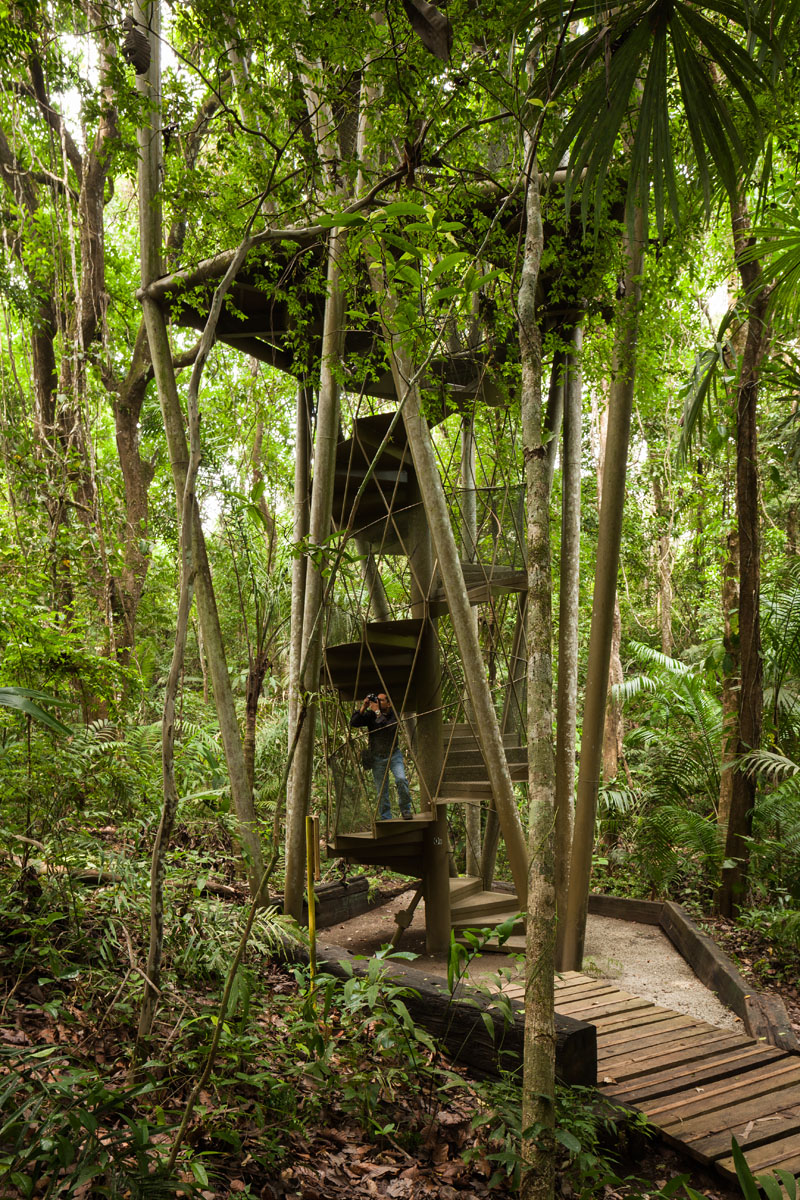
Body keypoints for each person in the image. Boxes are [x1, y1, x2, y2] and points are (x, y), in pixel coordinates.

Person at [350, 691, 413, 821]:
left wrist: (378, 712)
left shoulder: (394, 715)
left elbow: (389, 728)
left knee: (401, 779)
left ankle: (405, 809)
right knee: (381, 790)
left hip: (393, 754)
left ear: (388, 704)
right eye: (376, 700)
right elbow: (354, 723)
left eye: (381, 700)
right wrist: (363, 707)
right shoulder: (371, 715)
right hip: (377, 757)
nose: (377, 702)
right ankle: (386, 817)